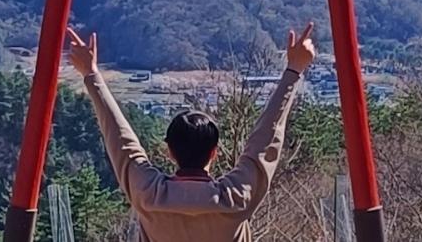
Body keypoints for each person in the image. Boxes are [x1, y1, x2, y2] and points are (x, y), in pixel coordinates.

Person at [64, 23, 316, 242]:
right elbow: (265, 142)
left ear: (169, 152)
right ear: (214, 152)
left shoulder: (150, 195)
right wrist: (293, 71)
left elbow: (122, 142)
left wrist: (91, 74)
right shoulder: (235, 199)